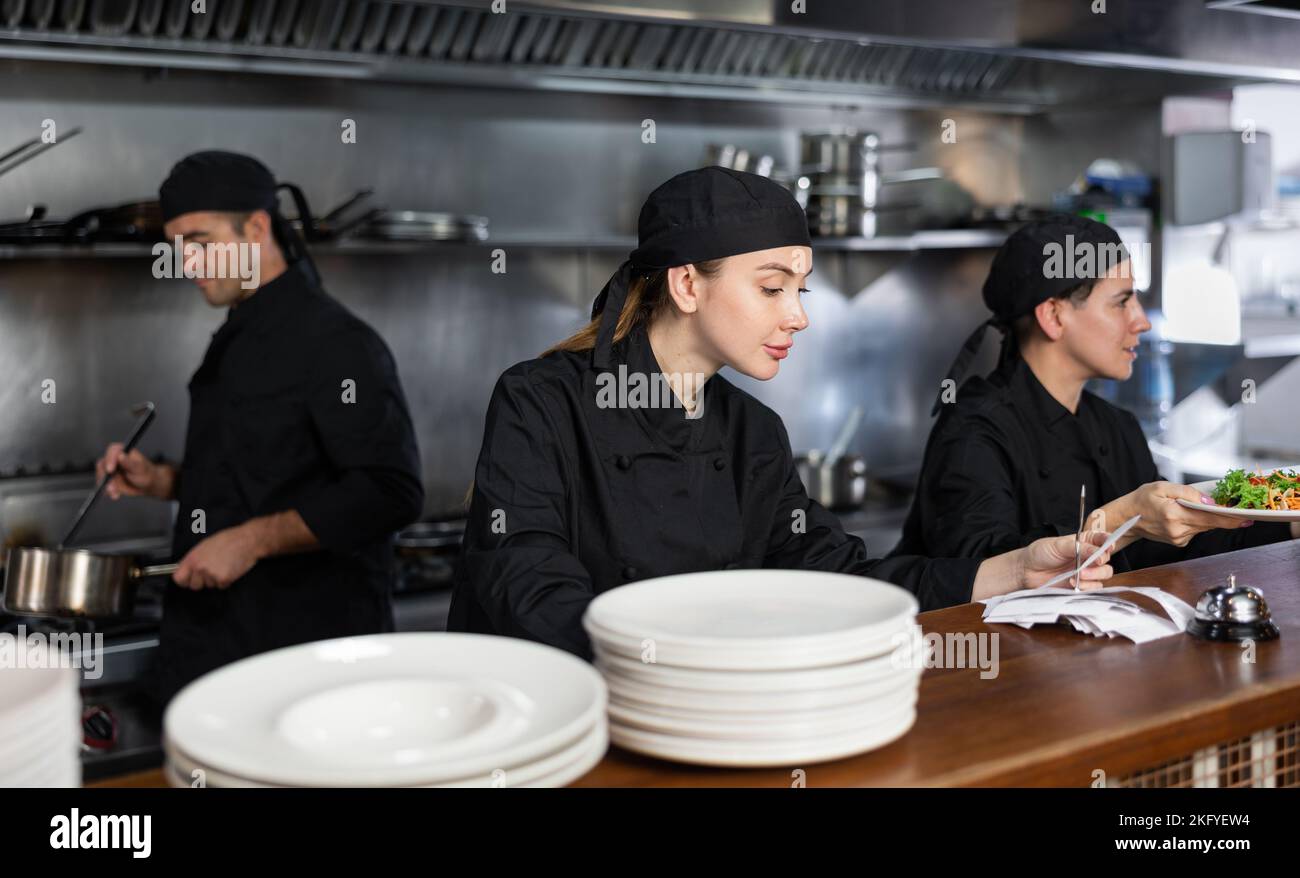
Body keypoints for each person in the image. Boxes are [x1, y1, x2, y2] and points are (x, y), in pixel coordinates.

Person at [449, 168, 1113, 658]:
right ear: (686, 284)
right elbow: (529, 591)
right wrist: (678, 670)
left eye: (800, 290)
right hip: (568, 736)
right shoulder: (541, 401)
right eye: (772, 288)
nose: (797, 315)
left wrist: (1016, 572)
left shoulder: (750, 432)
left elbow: (840, 578)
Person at [95, 151, 424, 704]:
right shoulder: (240, 334)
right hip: (216, 647)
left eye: (200, 241)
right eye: (177, 248)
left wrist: (250, 541)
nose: (187, 264)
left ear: (256, 226)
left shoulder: (337, 343)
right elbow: (259, 468)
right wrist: (163, 481)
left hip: (302, 662)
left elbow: (390, 492)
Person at [891, 214, 1298, 568]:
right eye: (1121, 302)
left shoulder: (1115, 427)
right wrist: (1121, 517)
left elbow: (1176, 549)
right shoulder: (974, 431)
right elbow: (978, 573)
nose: (1142, 321)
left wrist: (1291, 519)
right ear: (1053, 316)